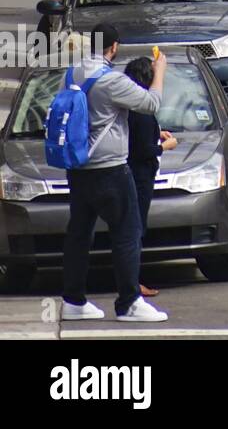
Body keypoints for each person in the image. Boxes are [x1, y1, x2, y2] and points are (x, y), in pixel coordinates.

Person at [60, 23, 169, 323]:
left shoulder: (72, 74)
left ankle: (73, 300)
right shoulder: (111, 80)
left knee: (79, 234)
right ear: (113, 48)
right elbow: (151, 103)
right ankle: (129, 302)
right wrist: (159, 71)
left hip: (78, 167)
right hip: (110, 170)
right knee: (127, 232)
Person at [122, 57, 178, 300]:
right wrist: (166, 146)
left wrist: (156, 133)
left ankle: (132, 281)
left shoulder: (127, 107)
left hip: (127, 173)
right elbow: (144, 150)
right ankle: (132, 283)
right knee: (135, 228)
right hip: (140, 176)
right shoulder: (143, 110)